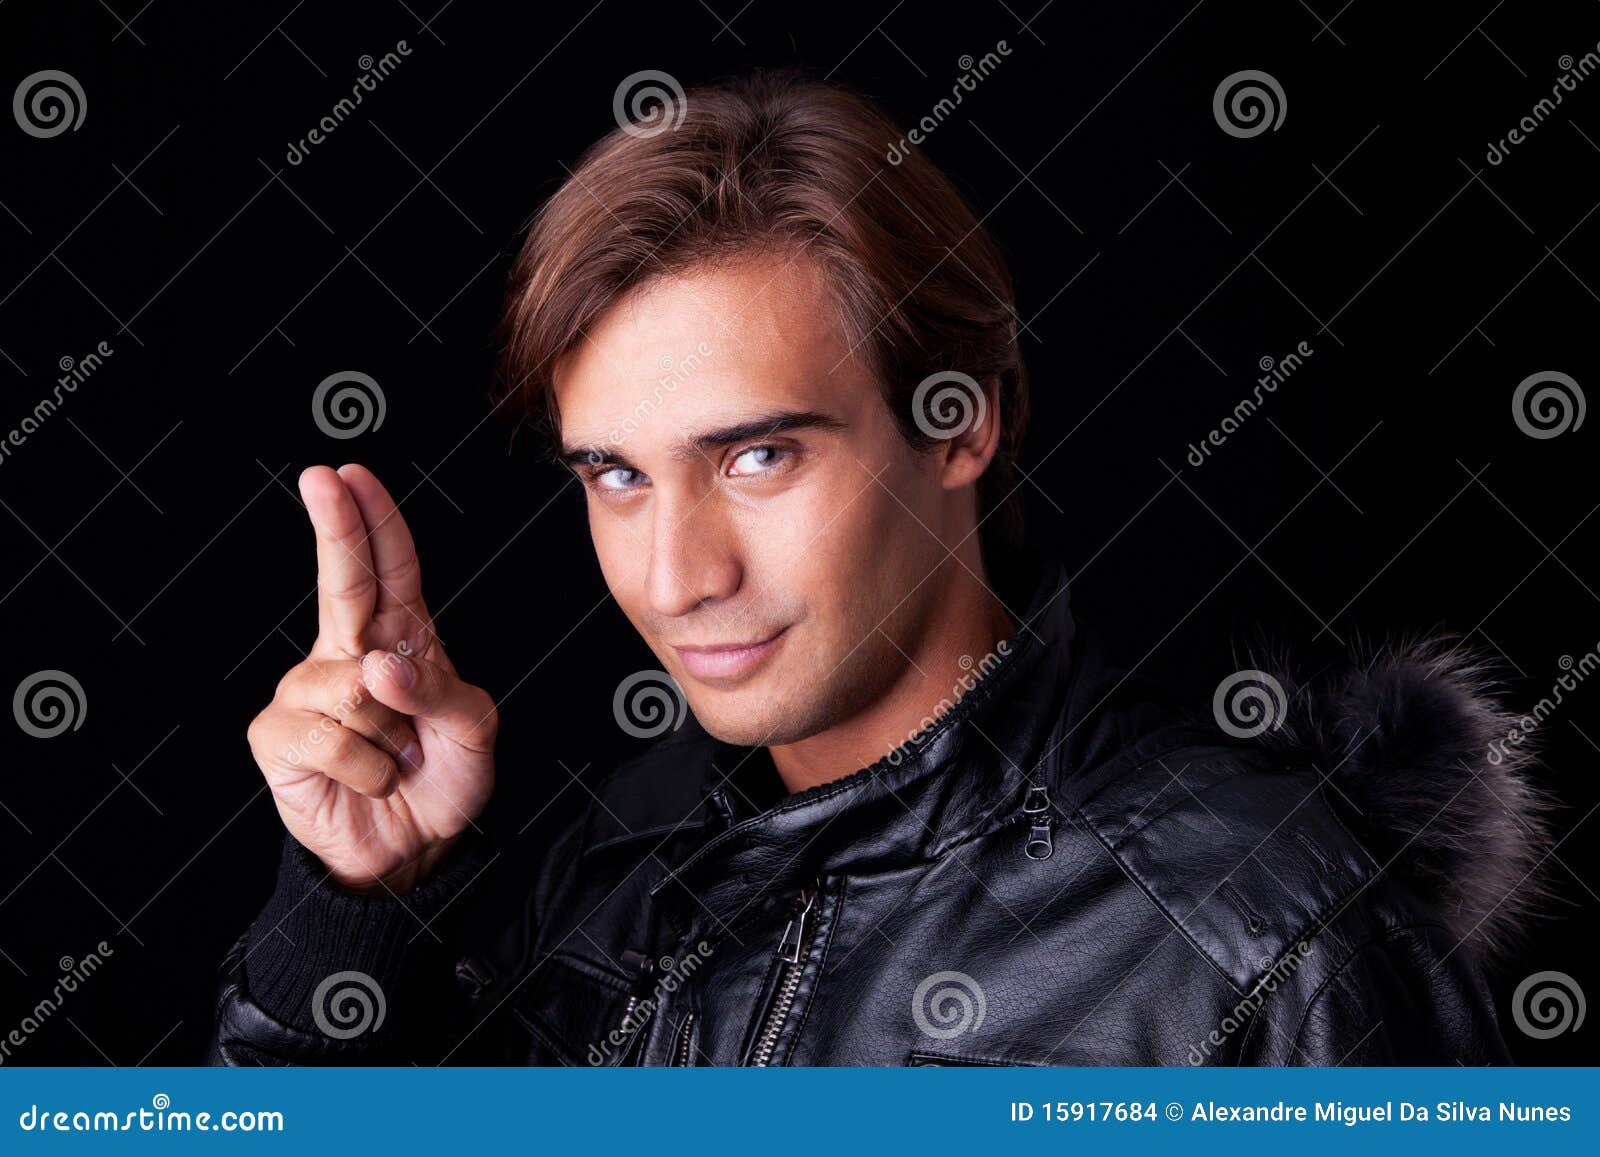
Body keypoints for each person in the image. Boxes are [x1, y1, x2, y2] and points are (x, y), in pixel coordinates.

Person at [210, 71, 1544, 1066]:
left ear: (962, 423)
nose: (675, 577)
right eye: (614, 473)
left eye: (757, 457)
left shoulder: (1264, 940)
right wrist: (355, 907)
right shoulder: (600, 883)